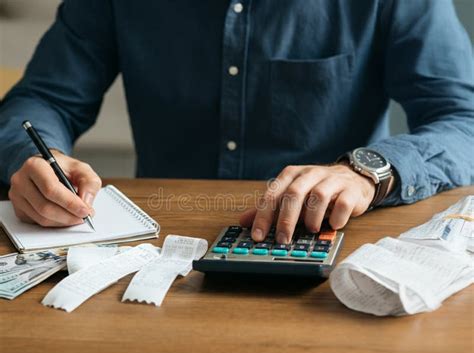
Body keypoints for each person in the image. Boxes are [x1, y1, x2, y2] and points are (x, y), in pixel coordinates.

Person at [0, 1, 472, 245]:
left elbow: (462, 119)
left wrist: (367, 171)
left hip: (333, 249)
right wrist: (36, 158)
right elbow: (43, 98)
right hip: (157, 249)